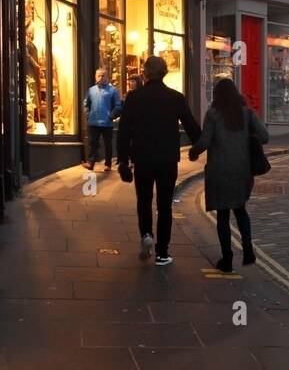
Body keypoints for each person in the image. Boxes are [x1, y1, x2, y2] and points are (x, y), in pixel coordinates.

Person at [117, 55, 201, 266]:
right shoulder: (176, 97)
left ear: (145, 73)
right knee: (165, 206)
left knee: (144, 200)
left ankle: (146, 234)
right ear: (165, 72)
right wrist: (198, 148)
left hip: (143, 159)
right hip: (167, 160)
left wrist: (123, 162)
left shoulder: (134, 98)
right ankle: (162, 253)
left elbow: (124, 133)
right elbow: (192, 128)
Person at [189, 77, 269, 272]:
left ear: (217, 95)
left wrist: (193, 152)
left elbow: (205, 141)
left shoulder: (213, 114)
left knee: (223, 215)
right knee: (240, 209)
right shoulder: (247, 113)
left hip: (219, 171)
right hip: (242, 170)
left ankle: (227, 259)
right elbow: (265, 137)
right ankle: (248, 249)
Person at [83, 68, 122, 172]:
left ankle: (108, 164)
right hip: (93, 122)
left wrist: (111, 116)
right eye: (98, 75)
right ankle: (90, 163)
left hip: (107, 123)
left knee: (107, 144)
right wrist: (88, 115)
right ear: (96, 77)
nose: (100, 77)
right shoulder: (91, 90)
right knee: (92, 143)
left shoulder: (112, 90)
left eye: (103, 75)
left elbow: (118, 106)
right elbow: (86, 104)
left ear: (107, 77)